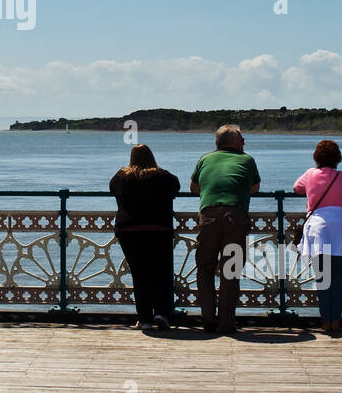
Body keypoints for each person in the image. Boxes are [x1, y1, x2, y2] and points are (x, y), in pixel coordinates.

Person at [189, 125, 260, 333]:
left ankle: (208, 318)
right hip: (235, 218)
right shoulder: (247, 160)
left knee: (205, 268)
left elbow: (194, 188)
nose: (244, 142)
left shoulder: (204, 159)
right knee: (230, 271)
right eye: (241, 138)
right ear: (230, 142)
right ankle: (226, 322)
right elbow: (254, 188)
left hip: (208, 217)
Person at [293, 140, 342, 335]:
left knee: (323, 279)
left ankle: (326, 321)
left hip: (319, 230)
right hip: (341, 230)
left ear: (316, 158)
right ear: (338, 158)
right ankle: (337, 320)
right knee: (339, 278)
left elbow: (297, 188)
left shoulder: (309, 174)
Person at [110, 144, 181, 330]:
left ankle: (144, 318)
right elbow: (176, 187)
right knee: (160, 272)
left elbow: (112, 189)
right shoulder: (163, 176)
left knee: (139, 274)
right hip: (158, 230)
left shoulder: (121, 176)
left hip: (129, 230)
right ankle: (161, 313)